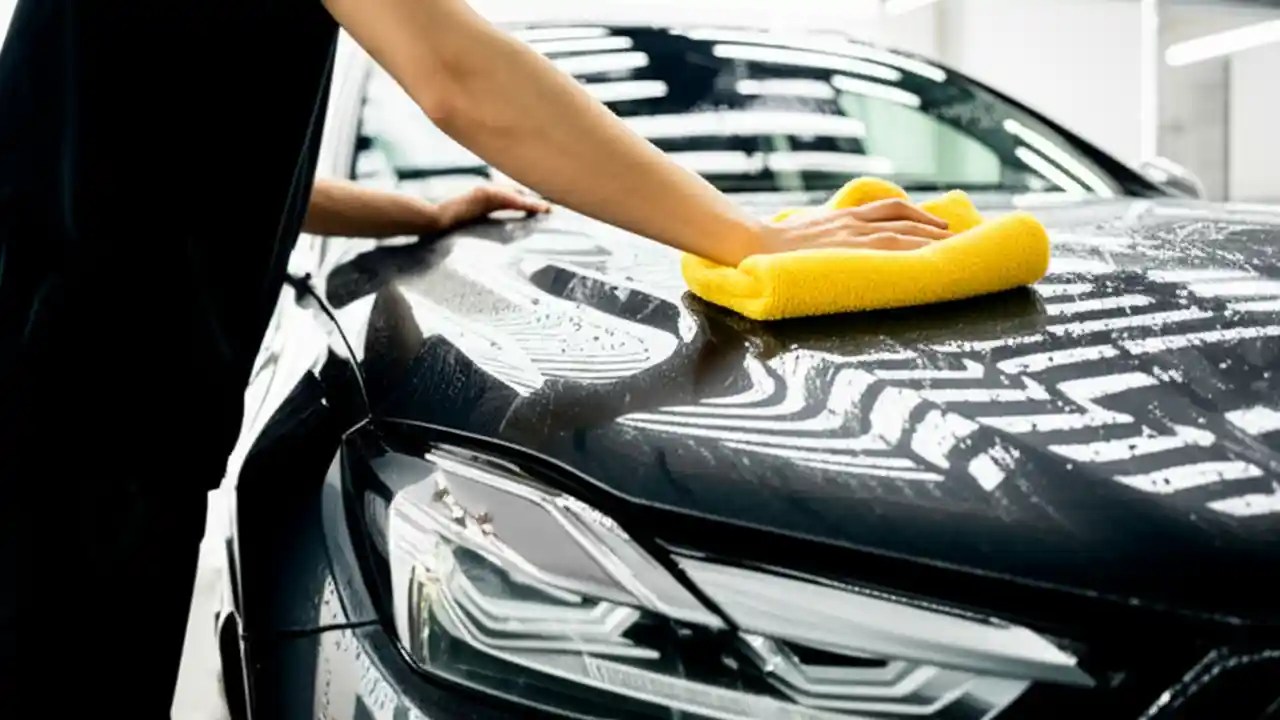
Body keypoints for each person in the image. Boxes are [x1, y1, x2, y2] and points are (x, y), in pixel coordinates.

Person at [0, 0, 951, 713]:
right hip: (85, 431)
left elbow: (180, 145)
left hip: (65, 400)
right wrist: (747, 238)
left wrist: (416, 209)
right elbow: (459, 75)